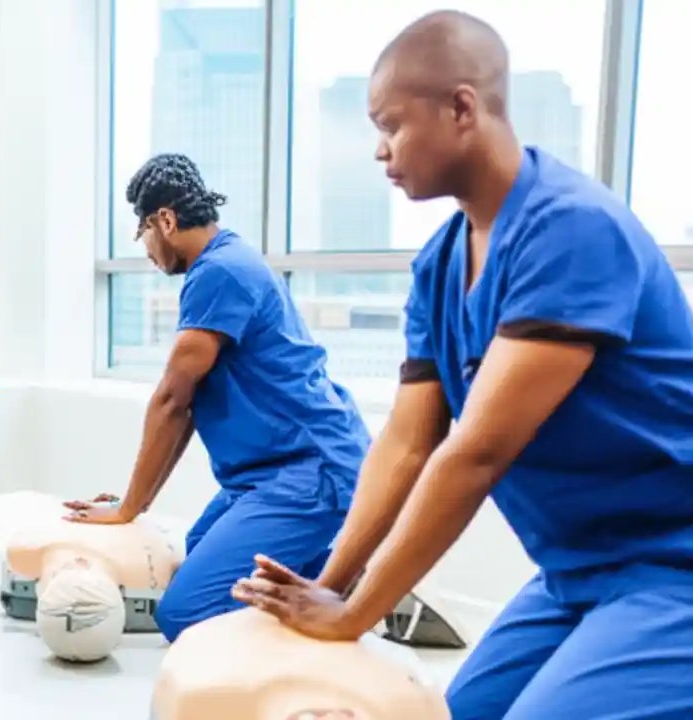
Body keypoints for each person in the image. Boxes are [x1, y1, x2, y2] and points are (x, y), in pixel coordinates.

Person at [233, 11, 693, 720]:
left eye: (390, 125)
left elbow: (474, 451)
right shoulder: (440, 265)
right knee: (468, 708)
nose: (380, 151)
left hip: (673, 567)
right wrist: (330, 586)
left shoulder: (572, 228)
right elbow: (408, 443)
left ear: (460, 108)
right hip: (576, 571)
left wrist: (356, 616)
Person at [66, 154, 371, 643]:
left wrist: (128, 509)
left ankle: (355, 595)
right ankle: (334, 581)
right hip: (267, 474)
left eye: (142, 230)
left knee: (187, 612)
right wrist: (134, 501)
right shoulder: (223, 264)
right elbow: (184, 406)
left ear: (164, 220)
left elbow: (170, 400)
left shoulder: (220, 271)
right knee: (200, 545)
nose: (145, 249)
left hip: (309, 470)